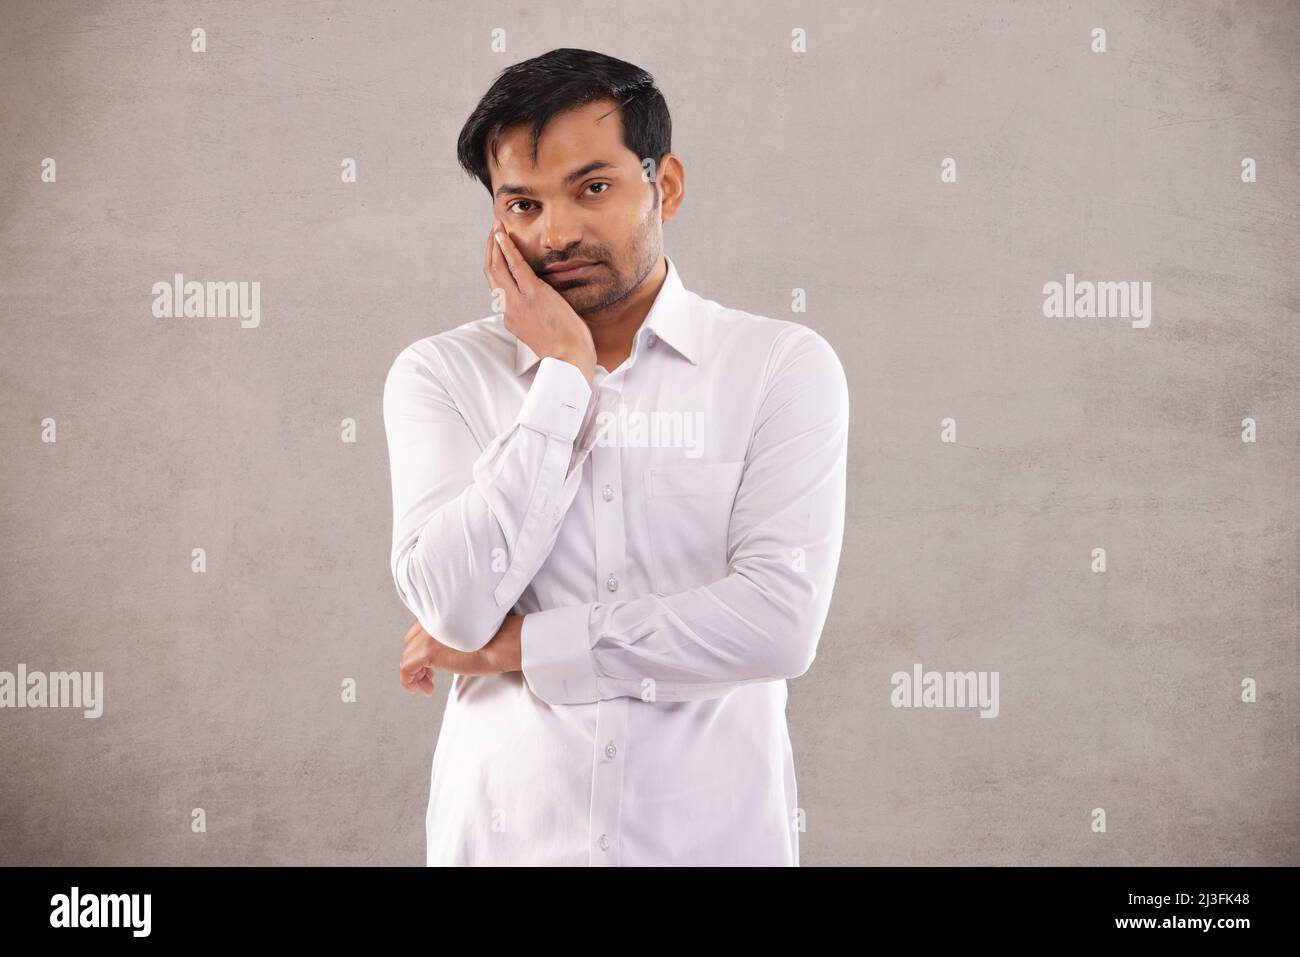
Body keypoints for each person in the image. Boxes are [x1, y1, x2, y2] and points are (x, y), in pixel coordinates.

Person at [382, 48, 849, 866]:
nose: (555, 233)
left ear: (663, 184)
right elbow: (453, 608)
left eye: (592, 188)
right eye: (521, 204)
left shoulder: (778, 366)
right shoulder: (440, 375)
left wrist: (522, 647)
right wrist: (563, 381)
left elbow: (778, 624)